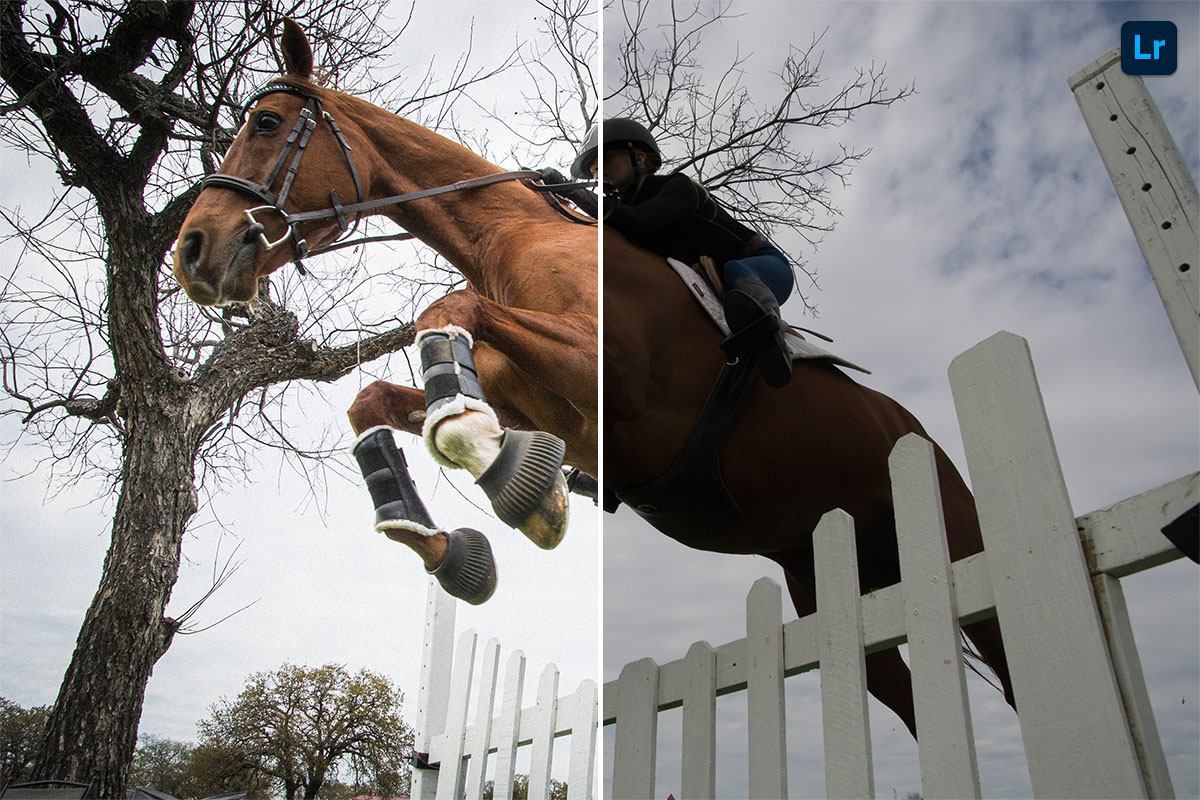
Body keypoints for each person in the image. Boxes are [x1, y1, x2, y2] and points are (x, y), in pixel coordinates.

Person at [573, 118, 794, 387]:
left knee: (734, 269)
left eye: (604, 162)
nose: (598, 175)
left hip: (760, 264)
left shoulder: (679, 187)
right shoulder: (622, 217)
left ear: (639, 157)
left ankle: (771, 339)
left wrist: (575, 193)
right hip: (708, 284)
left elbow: (639, 220)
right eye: (594, 171)